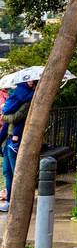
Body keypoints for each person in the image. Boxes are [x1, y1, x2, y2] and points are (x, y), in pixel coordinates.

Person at [0, 77, 37, 213]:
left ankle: (17, 202)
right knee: (7, 172)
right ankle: (9, 200)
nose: (30, 82)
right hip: (9, 139)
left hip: (16, 139)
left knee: (17, 172)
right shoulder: (19, 98)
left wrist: (3, 116)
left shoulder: (26, 101)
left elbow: (16, 118)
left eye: (32, 81)